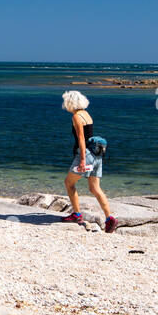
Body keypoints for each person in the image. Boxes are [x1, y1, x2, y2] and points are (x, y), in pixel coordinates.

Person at [61, 90, 117, 233]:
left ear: (70, 102)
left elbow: (81, 138)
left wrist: (82, 161)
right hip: (97, 154)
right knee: (95, 188)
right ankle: (109, 218)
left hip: (86, 154)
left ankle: (77, 214)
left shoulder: (76, 117)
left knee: (69, 183)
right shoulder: (87, 114)